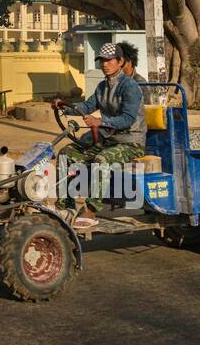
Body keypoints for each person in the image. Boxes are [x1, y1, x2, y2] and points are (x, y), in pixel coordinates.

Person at [51, 42, 146, 230]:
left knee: (101, 160)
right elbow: (87, 106)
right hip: (109, 140)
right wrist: (66, 105)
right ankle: (65, 205)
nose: (105, 64)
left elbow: (127, 119)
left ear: (120, 62)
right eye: (102, 60)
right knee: (65, 153)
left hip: (130, 143)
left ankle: (92, 210)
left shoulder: (130, 87)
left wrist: (100, 122)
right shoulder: (102, 86)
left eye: (109, 60)